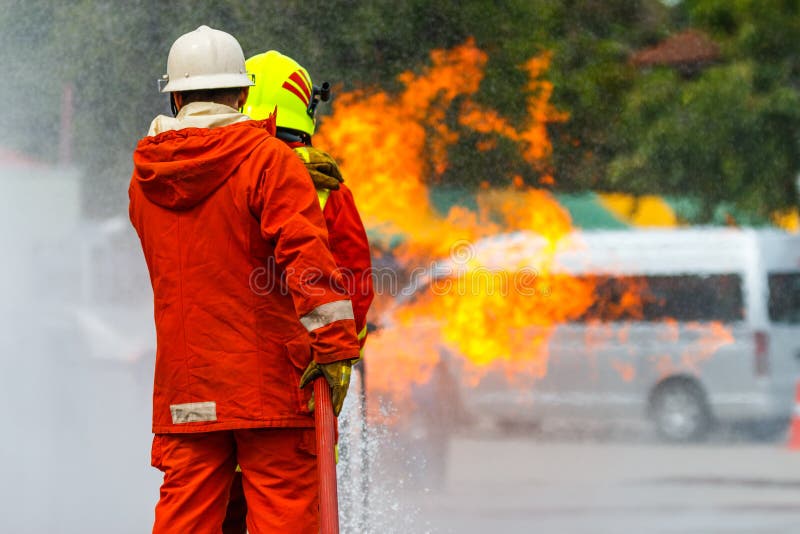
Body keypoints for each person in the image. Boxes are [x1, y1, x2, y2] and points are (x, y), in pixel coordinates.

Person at [128, 26, 360, 534]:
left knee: (184, 520)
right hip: (269, 388)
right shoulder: (268, 161)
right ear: (241, 94)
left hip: (185, 388)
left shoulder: (145, 177)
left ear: (176, 94)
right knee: (285, 518)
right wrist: (336, 351)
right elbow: (310, 262)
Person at [222, 49, 375, 534]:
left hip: (213, 397)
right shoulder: (328, 192)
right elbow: (356, 294)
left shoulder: (209, 173)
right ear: (306, 108)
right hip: (294, 396)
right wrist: (337, 362)